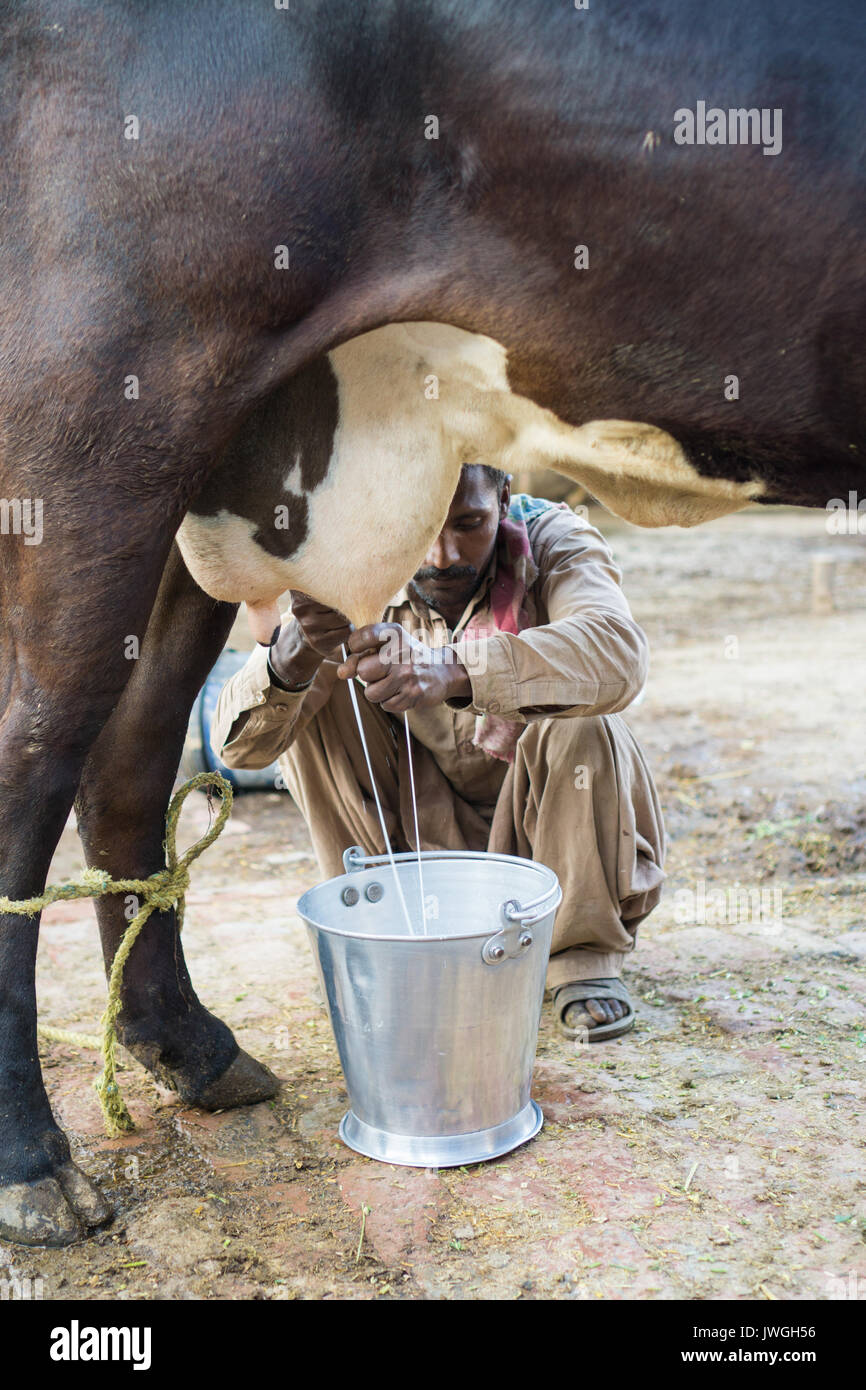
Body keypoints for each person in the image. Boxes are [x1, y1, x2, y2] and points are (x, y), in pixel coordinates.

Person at [211, 465, 665, 1041]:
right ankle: (382, 923)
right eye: (419, 526)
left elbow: (619, 656)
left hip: (544, 839)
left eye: (469, 524)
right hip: (416, 839)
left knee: (587, 717)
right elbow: (241, 751)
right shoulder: (347, 557)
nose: (444, 554)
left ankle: (578, 961)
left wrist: (448, 669)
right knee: (309, 702)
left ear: (503, 498)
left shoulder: (553, 538)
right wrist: (294, 654)